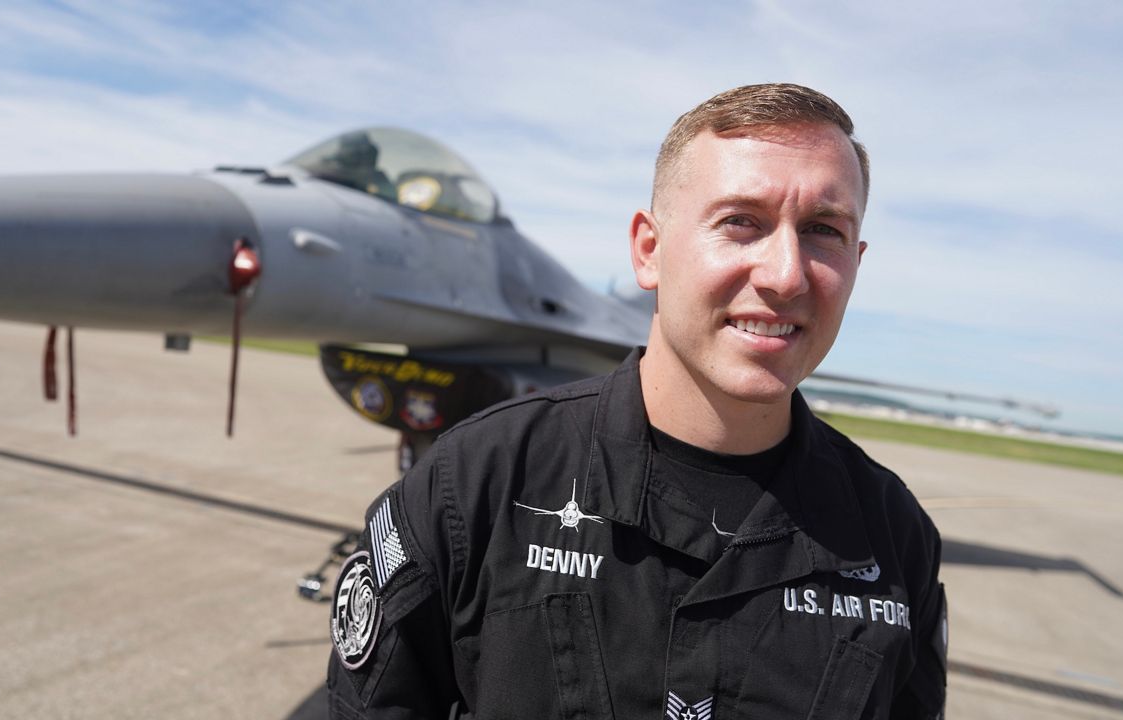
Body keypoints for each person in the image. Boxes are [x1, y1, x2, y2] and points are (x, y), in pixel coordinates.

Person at [327, 83, 947, 719]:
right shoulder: (477, 481)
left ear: (857, 262)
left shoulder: (897, 539)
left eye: (823, 230)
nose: (786, 274)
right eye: (740, 222)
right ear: (649, 250)